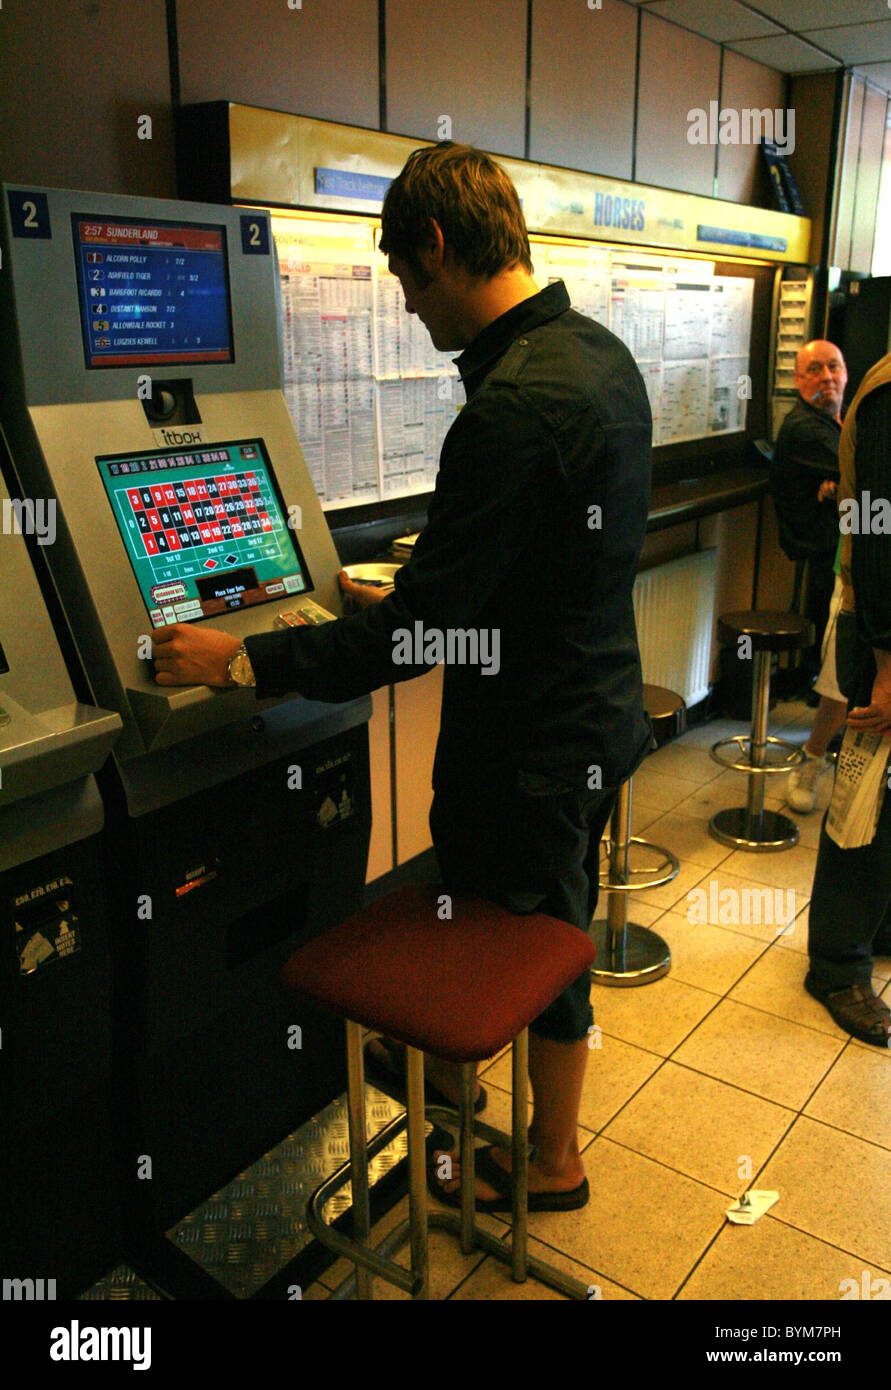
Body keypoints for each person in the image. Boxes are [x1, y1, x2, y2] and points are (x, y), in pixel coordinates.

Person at [151, 142, 654, 1207]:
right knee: (545, 927)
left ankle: (552, 1159)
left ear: (434, 245)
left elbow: (414, 641)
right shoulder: (598, 356)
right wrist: (425, 605)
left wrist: (240, 656)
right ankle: (461, 1088)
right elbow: (536, 569)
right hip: (590, 714)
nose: (407, 307)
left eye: (401, 278)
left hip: (528, 748)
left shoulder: (511, 405)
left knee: (533, 934)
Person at [806, 350, 891, 1045]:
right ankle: (836, 965)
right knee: (862, 804)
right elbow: (879, 532)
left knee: (886, 807)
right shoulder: (890, 392)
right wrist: (889, 663)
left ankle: (875, 927)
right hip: (883, 636)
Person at [770, 340, 847, 695]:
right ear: (799, 380)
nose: (827, 377)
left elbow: (854, 475)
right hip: (822, 546)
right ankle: (823, 690)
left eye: (834, 367)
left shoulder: (832, 422)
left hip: (836, 538)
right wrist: (846, 482)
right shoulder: (808, 428)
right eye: (815, 370)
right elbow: (868, 474)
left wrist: (839, 485)